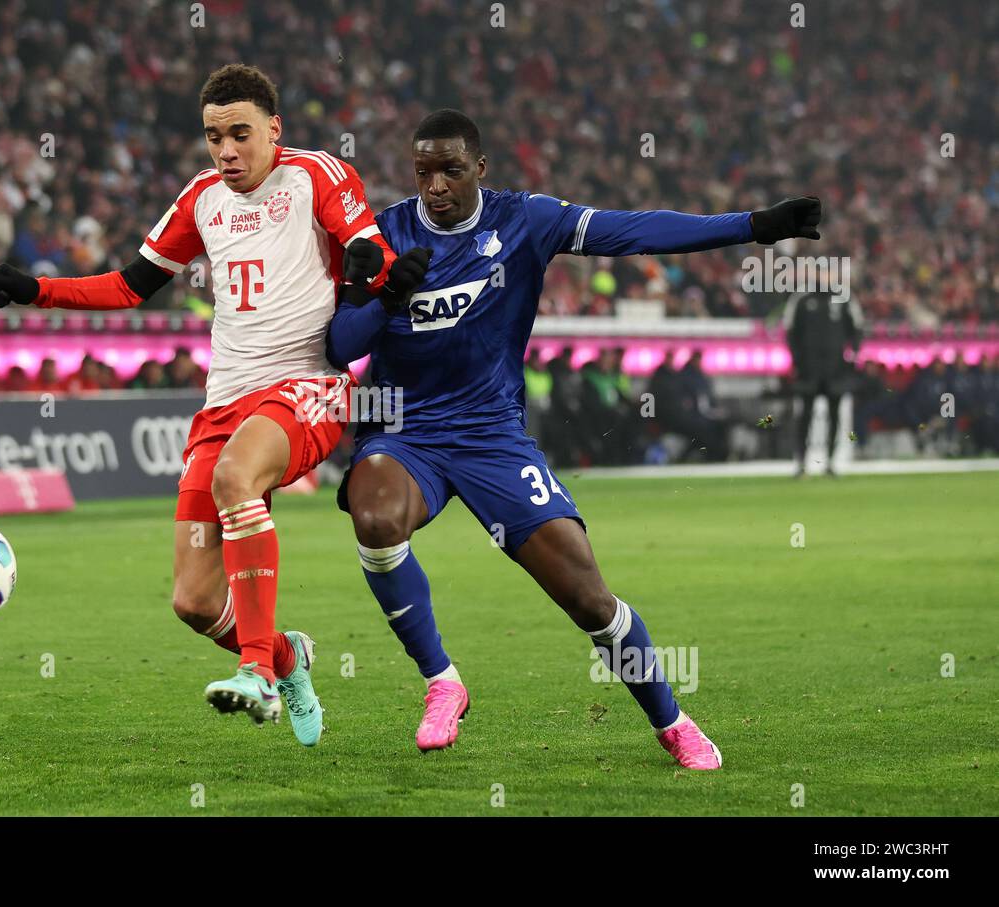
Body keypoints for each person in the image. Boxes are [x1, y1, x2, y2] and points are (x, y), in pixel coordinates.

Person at [326, 109, 822, 767]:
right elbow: (337, 345)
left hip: (492, 436)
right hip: (404, 431)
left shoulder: (525, 219)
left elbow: (634, 230)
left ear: (480, 167)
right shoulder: (381, 233)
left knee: (588, 596)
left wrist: (753, 226)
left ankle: (670, 719)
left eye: (449, 169)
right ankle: (441, 679)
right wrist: (386, 295)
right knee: (376, 516)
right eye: (423, 171)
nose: (435, 185)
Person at [0, 64, 418, 746]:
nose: (227, 151)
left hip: (306, 386)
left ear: (275, 129)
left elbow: (364, 241)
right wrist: (37, 290)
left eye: (240, 134)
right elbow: (129, 286)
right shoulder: (201, 199)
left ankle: (256, 673)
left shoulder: (315, 174)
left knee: (236, 477)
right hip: (224, 405)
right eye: (214, 136)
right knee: (193, 600)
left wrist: (375, 267)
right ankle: (286, 655)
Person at [782, 291, 863, 475]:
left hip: (835, 371)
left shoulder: (845, 298)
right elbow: (790, 331)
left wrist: (850, 361)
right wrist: (798, 362)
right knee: (805, 415)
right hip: (808, 371)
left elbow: (857, 330)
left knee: (835, 416)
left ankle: (831, 461)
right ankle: (802, 462)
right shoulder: (801, 299)